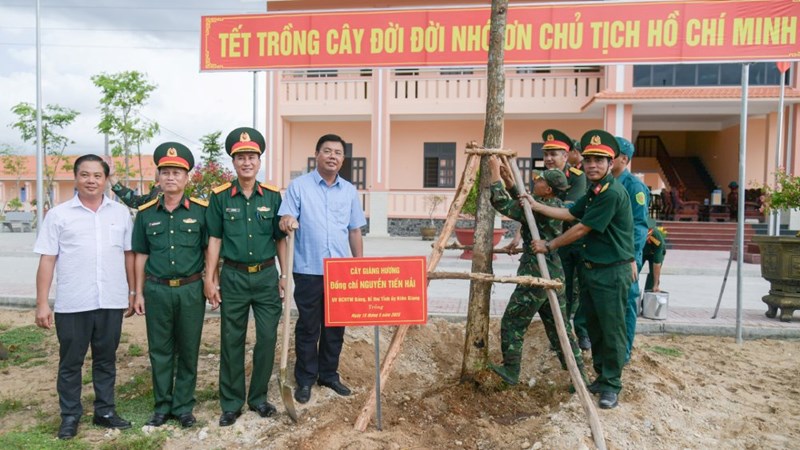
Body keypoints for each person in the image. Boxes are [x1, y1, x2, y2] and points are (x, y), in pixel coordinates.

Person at [526, 130, 635, 410]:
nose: (592, 165)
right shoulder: (595, 191)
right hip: (594, 271)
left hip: (612, 272)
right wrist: (537, 205)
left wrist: (549, 245)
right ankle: (601, 375)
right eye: (588, 160)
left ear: (611, 164)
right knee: (596, 327)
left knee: (612, 329)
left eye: (600, 160)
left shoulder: (612, 193)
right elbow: (572, 214)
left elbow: (582, 228)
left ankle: (611, 385)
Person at [34, 154, 135, 439]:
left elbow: (129, 255)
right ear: (76, 177)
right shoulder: (59, 215)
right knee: (71, 362)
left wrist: (131, 291)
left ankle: (105, 411)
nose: (91, 180)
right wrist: (42, 303)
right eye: (85, 175)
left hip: (111, 301)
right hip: (73, 302)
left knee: (106, 359)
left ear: (106, 180)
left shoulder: (120, 214)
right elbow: (47, 260)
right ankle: (70, 415)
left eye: (97, 176)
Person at [204, 127, 288, 426]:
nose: (246, 162)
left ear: (259, 161)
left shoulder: (274, 197)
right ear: (234, 162)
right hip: (234, 277)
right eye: (240, 157)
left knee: (266, 338)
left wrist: (284, 275)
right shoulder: (220, 198)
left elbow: (280, 239)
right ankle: (231, 402)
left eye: (251, 156)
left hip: (266, 276)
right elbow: (214, 239)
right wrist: (210, 278)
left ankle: (259, 398)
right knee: (231, 340)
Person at [278, 133, 366, 404]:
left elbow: (354, 231)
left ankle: (328, 374)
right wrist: (288, 220)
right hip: (307, 268)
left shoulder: (349, 191)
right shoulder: (299, 187)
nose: (332, 156)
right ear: (317, 155)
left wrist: (358, 267)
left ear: (342, 159)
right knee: (308, 327)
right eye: (327, 151)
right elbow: (285, 219)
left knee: (335, 327)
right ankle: (305, 379)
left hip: (340, 271)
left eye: (338, 152)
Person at [486, 157, 587, 386]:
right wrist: (510, 182)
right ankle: (579, 376)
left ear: (548, 190)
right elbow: (525, 205)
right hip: (554, 273)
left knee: (512, 322)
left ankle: (511, 370)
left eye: (540, 180)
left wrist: (494, 175)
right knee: (560, 329)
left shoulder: (538, 208)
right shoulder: (557, 207)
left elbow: (502, 203)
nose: (536, 180)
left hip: (535, 275)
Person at [131, 143, 208, 428]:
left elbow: (210, 251)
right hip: (157, 289)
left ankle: (184, 405)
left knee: (188, 349)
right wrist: (138, 292)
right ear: (158, 178)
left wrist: (211, 283)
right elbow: (141, 254)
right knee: (160, 350)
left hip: (190, 289)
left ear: (187, 178)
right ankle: (162, 406)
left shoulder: (201, 212)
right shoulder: (147, 213)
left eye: (177, 172)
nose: (171, 177)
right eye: (165, 172)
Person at [612, 137, 650, 364]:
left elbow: (639, 226)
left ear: (623, 159)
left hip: (626, 258)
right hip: (608, 257)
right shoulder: (604, 182)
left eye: (611, 155)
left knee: (627, 302)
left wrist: (630, 257)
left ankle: (624, 352)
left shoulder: (634, 186)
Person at [643, 217, 666, 292]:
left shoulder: (656, 238)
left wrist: (655, 285)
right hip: (642, 252)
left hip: (654, 253)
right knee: (633, 271)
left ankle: (648, 297)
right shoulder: (635, 233)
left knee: (653, 276)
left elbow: (657, 264)